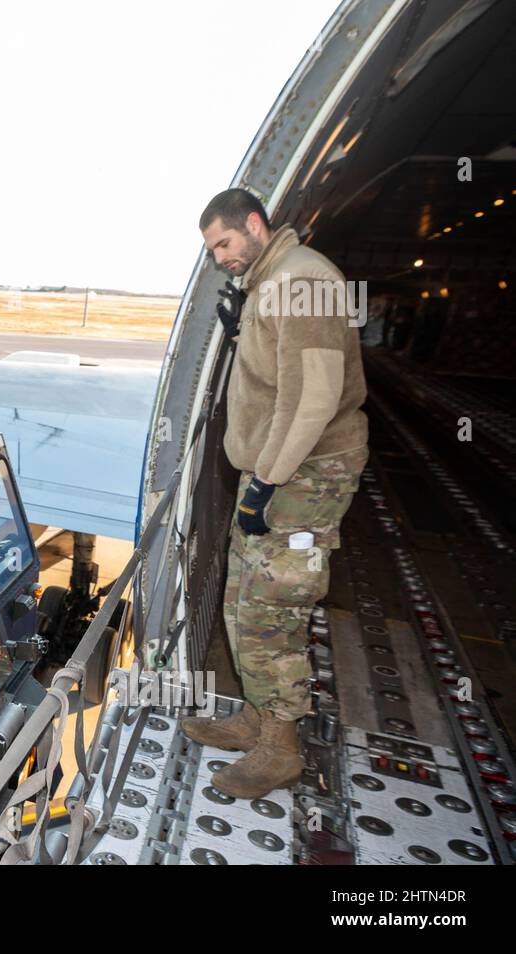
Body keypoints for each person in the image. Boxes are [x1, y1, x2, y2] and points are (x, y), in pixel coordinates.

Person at [186, 188, 369, 799]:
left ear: (256, 224)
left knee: (271, 609)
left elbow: (314, 399)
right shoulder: (273, 283)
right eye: (213, 251)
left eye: (225, 244)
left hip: (303, 475)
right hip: (274, 471)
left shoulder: (303, 280)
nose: (220, 259)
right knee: (242, 599)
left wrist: (266, 482)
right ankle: (258, 720)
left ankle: (280, 750)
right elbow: (279, 378)